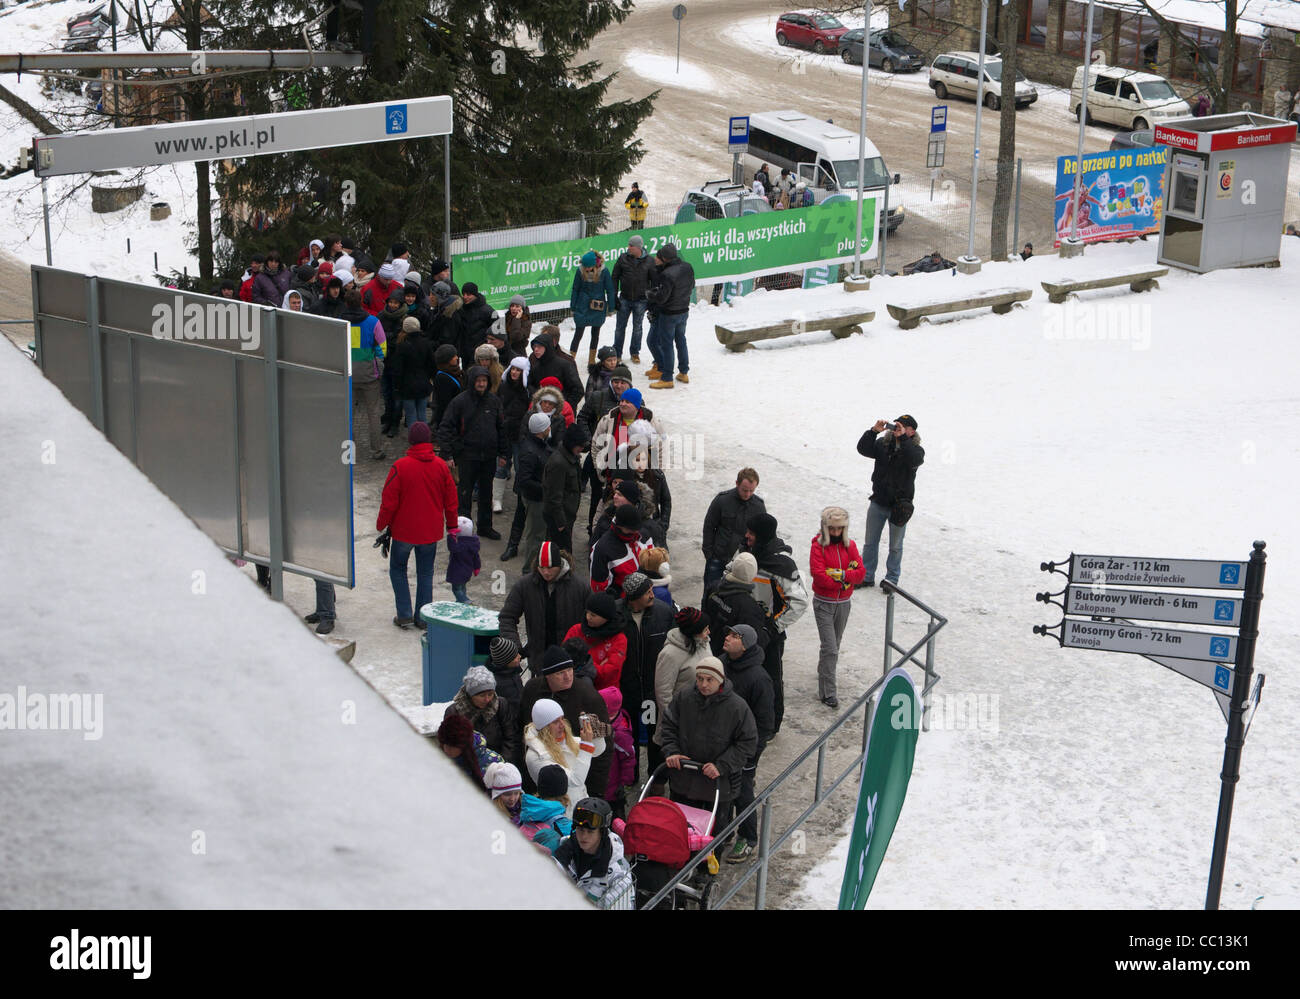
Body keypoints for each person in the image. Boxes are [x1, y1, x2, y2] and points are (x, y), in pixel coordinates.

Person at [377, 421, 459, 629]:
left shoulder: (400, 467)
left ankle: (404, 613)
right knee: (425, 572)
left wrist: (381, 525)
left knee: (398, 569)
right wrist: (452, 526)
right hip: (430, 532)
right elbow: (451, 500)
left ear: (411, 441)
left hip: (404, 531)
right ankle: (423, 617)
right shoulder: (441, 466)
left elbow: (389, 501)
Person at [660, 658, 757, 825]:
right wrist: (672, 751)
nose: (703, 684)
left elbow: (747, 742)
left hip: (719, 784)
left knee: (716, 833)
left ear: (720, 680)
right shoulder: (684, 697)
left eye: (709, 679)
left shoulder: (737, 707)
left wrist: (722, 765)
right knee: (682, 830)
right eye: (699, 679)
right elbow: (668, 726)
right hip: (684, 780)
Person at [744, 513, 809, 734]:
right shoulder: (745, 553)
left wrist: (773, 627)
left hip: (769, 636)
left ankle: (771, 725)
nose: (747, 536)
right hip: (743, 630)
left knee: (770, 680)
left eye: (751, 533)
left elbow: (799, 601)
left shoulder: (782, 564)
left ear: (761, 536)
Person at [718, 624, 774, 863]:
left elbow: (765, 723)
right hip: (720, 742)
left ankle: (748, 837)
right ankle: (726, 829)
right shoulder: (721, 663)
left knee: (742, 791)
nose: (727, 637)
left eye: (734, 636)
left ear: (746, 644)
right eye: (728, 633)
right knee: (722, 789)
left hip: (745, 748)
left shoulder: (759, 678)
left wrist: (751, 753)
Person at [437, 365, 508, 540]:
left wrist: (504, 453)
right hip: (467, 456)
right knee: (464, 494)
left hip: (488, 456)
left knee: (486, 493)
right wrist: (448, 454)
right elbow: (445, 427)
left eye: (484, 381)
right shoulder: (460, 402)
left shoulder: (494, 401)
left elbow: (501, 428)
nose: (481, 384)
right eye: (478, 381)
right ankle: (464, 528)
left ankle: (485, 527)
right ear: (472, 382)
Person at [615, 571, 674, 781]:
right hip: (626, 691)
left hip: (651, 692)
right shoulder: (616, 614)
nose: (652, 595)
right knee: (626, 737)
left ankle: (655, 778)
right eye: (647, 592)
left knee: (653, 736)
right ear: (633, 598)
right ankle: (630, 777)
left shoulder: (664, 613)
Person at [856, 415, 925, 587]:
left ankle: (891, 580)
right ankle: (866, 576)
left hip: (900, 506)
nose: (897, 429)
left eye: (903, 427)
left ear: (912, 431)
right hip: (878, 501)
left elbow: (915, 459)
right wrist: (873, 432)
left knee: (895, 546)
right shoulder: (883, 444)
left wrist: (902, 438)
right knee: (870, 543)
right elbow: (863, 449)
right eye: (897, 426)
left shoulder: (915, 450)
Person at [809, 506, 866, 709]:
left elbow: (861, 573)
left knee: (835, 644)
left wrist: (840, 575)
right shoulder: (817, 546)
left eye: (839, 529)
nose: (835, 533)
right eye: (832, 529)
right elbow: (819, 575)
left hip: (843, 603)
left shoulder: (849, 546)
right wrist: (845, 579)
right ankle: (828, 692)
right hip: (824, 603)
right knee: (831, 649)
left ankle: (823, 670)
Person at [498, 542, 587, 664]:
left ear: (559, 565)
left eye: (550, 568)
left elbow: (593, 620)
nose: (545, 572)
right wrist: (514, 647)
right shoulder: (524, 585)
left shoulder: (580, 587)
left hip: (572, 662)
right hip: (539, 661)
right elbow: (507, 617)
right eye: (542, 567)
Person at [523, 696, 606, 817]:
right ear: (544, 727)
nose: (562, 725)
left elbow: (598, 751)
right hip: (561, 815)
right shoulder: (536, 755)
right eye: (555, 722)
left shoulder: (565, 741)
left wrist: (596, 735)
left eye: (562, 719)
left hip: (579, 806)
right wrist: (586, 745)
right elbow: (574, 781)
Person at [553, 797, 636, 909]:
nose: (584, 836)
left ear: (602, 833)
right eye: (580, 830)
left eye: (590, 832)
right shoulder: (563, 854)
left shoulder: (618, 873)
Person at [701, 468, 766, 603]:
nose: (748, 494)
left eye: (752, 491)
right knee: (710, 595)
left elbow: (761, 534)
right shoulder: (722, 500)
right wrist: (709, 553)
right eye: (744, 490)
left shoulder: (758, 506)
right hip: (718, 558)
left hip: (742, 562)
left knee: (736, 600)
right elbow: (709, 526)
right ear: (737, 483)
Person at [653, 607, 711, 751]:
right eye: (705, 630)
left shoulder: (704, 643)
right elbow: (663, 693)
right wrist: (676, 721)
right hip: (679, 723)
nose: (708, 633)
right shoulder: (669, 654)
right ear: (693, 633)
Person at [445, 665, 521, 768]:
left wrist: (502, 765)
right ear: (470, 694)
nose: (487, 699)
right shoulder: (454, 712)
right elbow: (451, 748)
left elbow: (511, 739)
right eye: (482, 695)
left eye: (490, 694)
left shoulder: (501, 705)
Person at [343, 289, 387, 461]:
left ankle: (348, 452)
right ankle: (376, 450)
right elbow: (382, 347)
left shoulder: (339, 322)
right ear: (361, 301)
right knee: (373, 413)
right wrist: (379, 364)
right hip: (370, 375)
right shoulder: (373, 322)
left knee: (348, 414)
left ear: (346, 303)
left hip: (347, 375)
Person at [644, 242, 694, 389]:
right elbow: (692, 285)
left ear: (665, 258)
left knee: (667, 345)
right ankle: (683, 372)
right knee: (681, 341)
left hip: (669, 313)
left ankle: (667, 377)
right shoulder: (687, 267)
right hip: (684, 310)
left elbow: (662, 298)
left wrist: (651, 294)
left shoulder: (667, 274)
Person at [705, 552, 770, 660]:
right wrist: (768, 629)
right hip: (730, 658)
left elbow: (705, 613)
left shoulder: (715, 587)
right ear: (752, 574)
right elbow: (756, 642)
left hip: (709, 647)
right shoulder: (749, 607)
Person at [512, 412, 553, 569]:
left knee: (539, 535)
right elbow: (525, 480)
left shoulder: (535, 445)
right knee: (536, 536)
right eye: (548, 426)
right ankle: (530, 571)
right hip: (535, 499)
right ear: (542, 430)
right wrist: (545, 489)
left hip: (538, 497)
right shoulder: (531, 451)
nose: (550, 428)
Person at [564, 591, 627, 691]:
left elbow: (611, 672)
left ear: (606, 617)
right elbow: (564, 661)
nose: (588, 617)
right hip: (575, 690)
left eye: (593, 615)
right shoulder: (576, 630)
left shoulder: (618, 639)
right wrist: (594, 667)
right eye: (587, 612)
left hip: (605, 693)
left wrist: (583, 667)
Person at [543, 422, 588, 554]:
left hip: (567, 515)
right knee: (560, 552)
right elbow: (554, 496)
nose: (581, 448)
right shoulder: (559, 463)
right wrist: (561, 523)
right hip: (559, 518)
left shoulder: (570, 457)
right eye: (579, 445)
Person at [591, 505, 652, 595]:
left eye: (636, 529)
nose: (635, 532)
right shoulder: (603, 548)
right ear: (619, 526)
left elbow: (654, 564)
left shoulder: (643, 535)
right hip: (624, 603)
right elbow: (599, 587)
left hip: (647, 594)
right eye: (630, 529)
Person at [389, 315, 435, 433]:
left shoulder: (402, 346)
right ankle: (424, 438)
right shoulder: (426, 343)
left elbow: (398, 370)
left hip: (407, 386)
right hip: (423, 384)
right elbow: (432, 365)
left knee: (411, 415)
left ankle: (414, 439)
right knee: (422, 413)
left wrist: (397, 386)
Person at [436, 713, 504, 791]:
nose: (447, 750)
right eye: (445, 745)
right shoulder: (437, 761)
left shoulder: (494, 763)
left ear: (464, 746)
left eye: (452, 747)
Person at [569, 251, 615, 364]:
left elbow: (610, 289)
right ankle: (570, 360)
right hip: (582, 305)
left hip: (597, 306)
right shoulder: (580, 271)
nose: (588, 270)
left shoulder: (604, 271)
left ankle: (591, 360)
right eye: (586, 267)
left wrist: (611, 306)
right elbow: (575, 289)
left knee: (595, 333)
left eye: (589, 267)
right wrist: (573, 306)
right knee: (578, 333)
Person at [598, 685, 637, 818]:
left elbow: (629, 759)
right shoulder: (608, 724)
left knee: (614, 817)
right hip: (605, 782)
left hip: (613, 788)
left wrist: (624, 784)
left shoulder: (619, 734)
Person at [611, 235, 651, 363]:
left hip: (641, 300)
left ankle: (635, 352)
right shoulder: (623, 258)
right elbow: (615, 277)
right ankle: (617, 352)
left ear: (638, 247)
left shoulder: (649, 261)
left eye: (631, 246)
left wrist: (650, 300)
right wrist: (614, 297)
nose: (628, 248)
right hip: (625, 299)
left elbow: (653, 281)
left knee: (637, 327)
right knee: (619, 327)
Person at [453, 282, 497, 366]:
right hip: (465, 354)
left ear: (475, 295)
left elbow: (498, 331)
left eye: (468, 294)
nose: (465, 297)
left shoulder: (487, 310)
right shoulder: (461, 310)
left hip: (482, 355)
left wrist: (487, 345)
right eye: (464, 294)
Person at [445, 515, 481, 604]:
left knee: (456, 589)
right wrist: (477, 568)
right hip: (467, 572)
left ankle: (465, 601)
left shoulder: (460, 546)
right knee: (463, 587)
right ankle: (460, 603)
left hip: (457, 572)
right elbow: (476, 558)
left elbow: (452, 548)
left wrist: (451, 536)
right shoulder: (473, 544)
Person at [487, 636, 526, 714]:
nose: (520, 656)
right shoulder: (495, 684)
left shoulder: (514, 670)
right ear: (506, 661)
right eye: (515, 656)